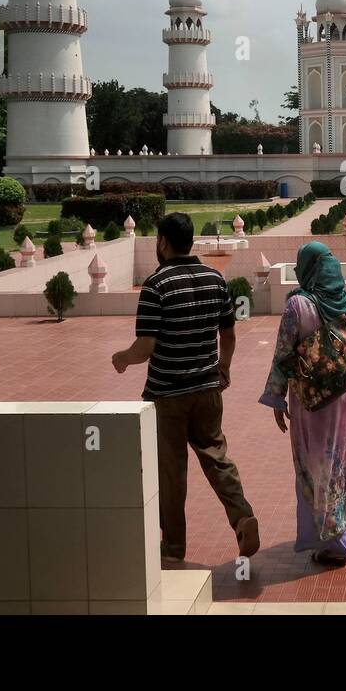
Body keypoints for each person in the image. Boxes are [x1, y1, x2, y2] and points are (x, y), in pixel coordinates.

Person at [112, 212, 259, 563]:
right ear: (191, 241)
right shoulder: (215, 278)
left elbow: (145, 348)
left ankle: (174, 548)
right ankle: (242, 516)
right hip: (207, 389)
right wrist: (223, 367)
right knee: (216, 455)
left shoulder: (156, 285)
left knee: (172, 472)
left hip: (168, 394)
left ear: (162, 242)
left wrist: (122, 358)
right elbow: (229, 333)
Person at [259, 241, 346, 567]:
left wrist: (276, 397)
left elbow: (283, 356)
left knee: (316, 465)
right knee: (342, 462)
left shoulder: (298, 306)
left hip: (313, 403)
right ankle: (338, 530)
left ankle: (333, 542)